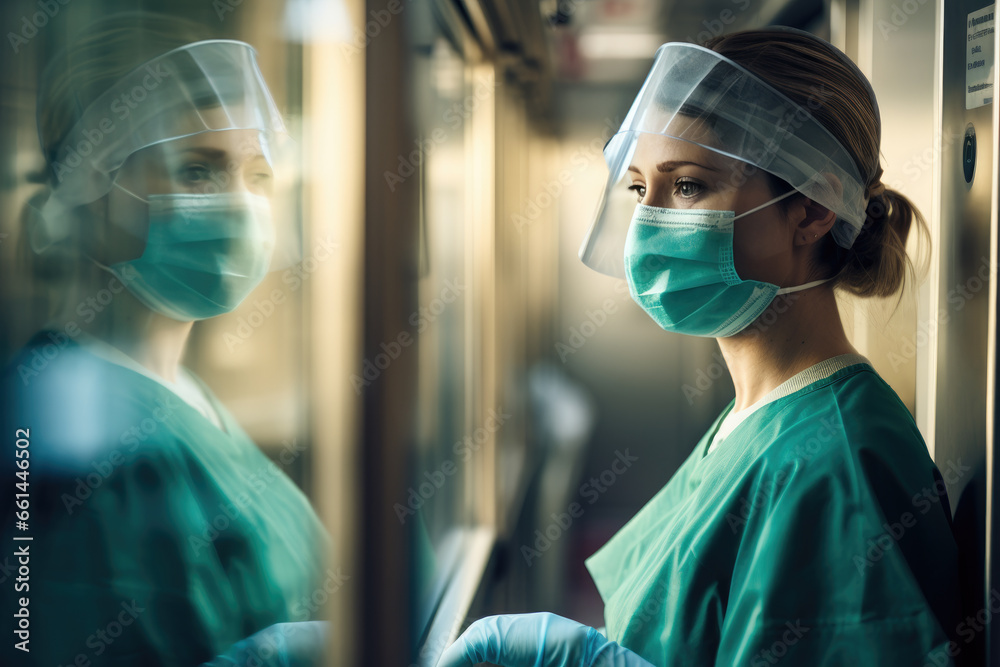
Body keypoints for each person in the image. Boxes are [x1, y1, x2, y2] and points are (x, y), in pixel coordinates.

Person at [438, 27, 964, 666]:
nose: (648, 221)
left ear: (812, 209)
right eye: (639, 189)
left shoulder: (836, 464)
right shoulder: (757, 416)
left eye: (687, 185)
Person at [1, 13, 329, 667]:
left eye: (257, 174)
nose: (241, 206)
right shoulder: (69, 428)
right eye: (197, 171)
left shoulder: (181, 395)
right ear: (93, 187)